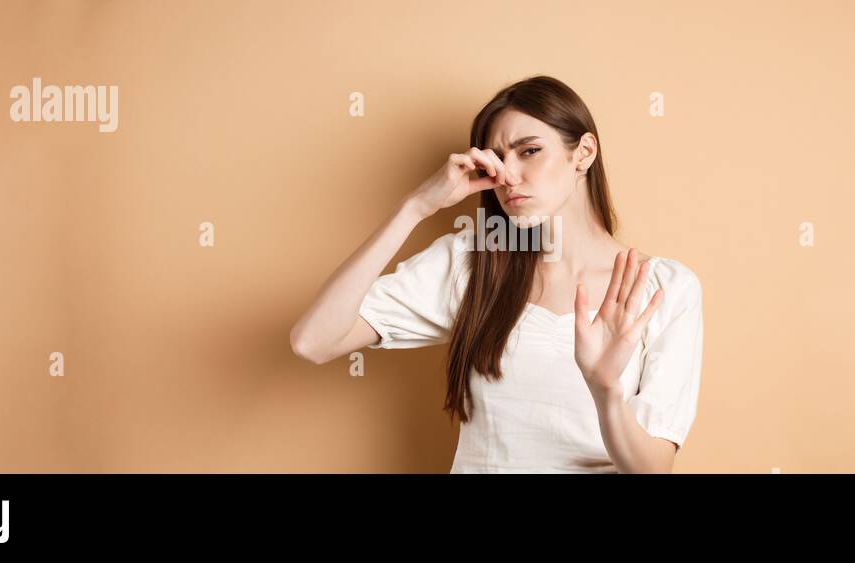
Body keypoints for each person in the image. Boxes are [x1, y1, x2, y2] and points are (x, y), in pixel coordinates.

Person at [289, 75, 703, 473]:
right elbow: (313, 341)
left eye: (529, 151)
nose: (508, 176)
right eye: (497, 160)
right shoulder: (473, 264)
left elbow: (653, 470)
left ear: (584, 152)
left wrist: (605, 389)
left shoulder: (663, 288)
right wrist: (415, 207)